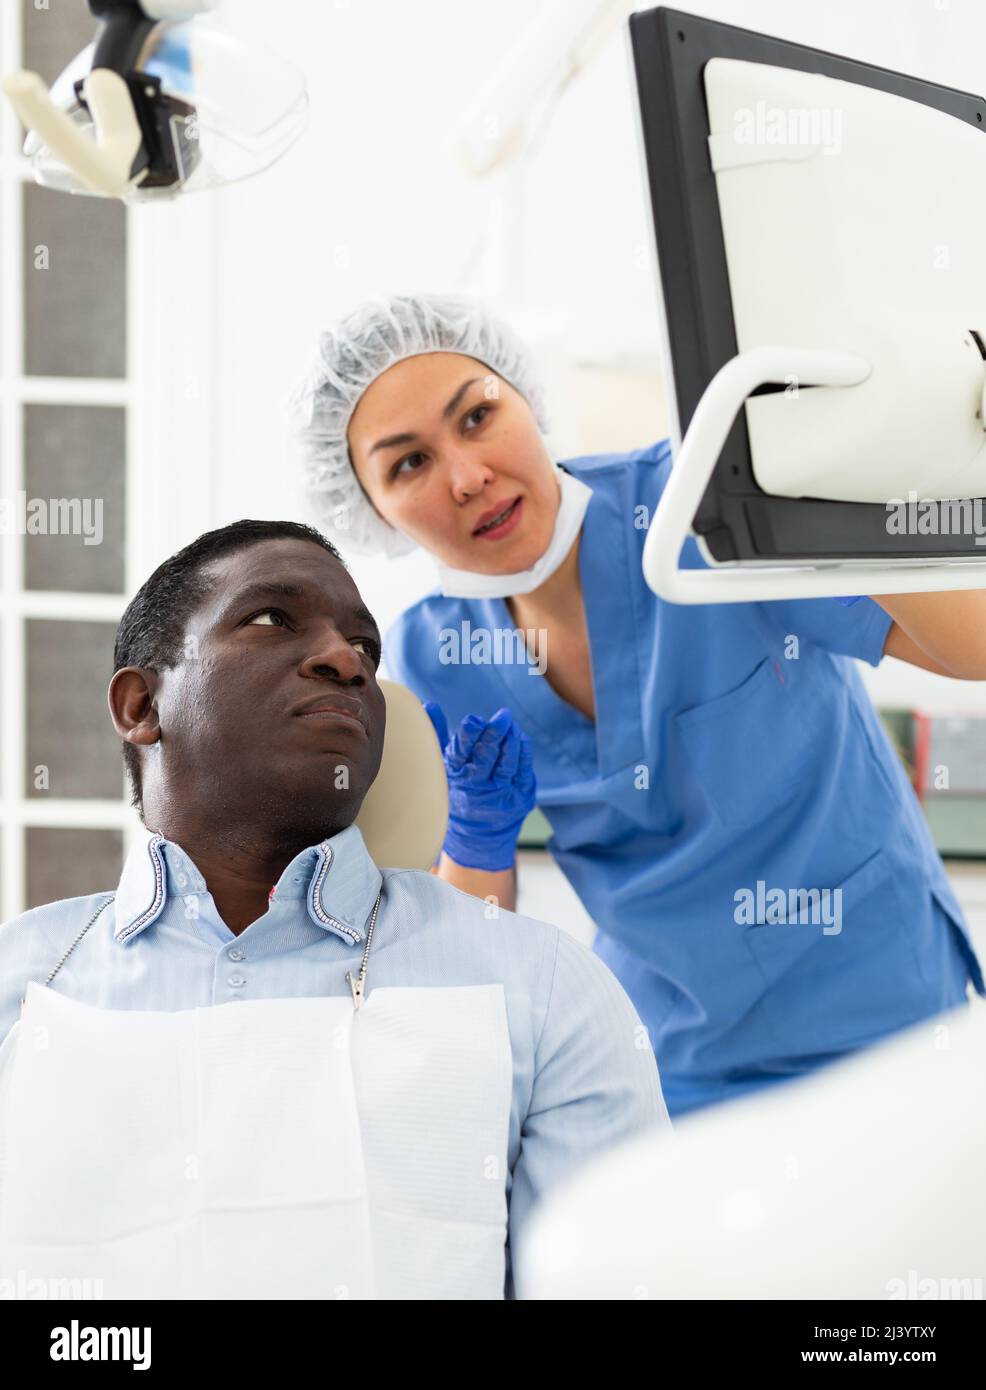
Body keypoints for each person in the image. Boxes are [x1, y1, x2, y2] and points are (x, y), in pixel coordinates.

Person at [290, 291, 986, 1120]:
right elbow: (478, 926)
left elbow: (971, 647)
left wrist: (831, 483)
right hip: (670, 1050)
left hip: (879, 1004)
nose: (468, 477)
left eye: (477, 416)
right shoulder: (436, 655)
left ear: (524, 396)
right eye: (408, 464)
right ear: (372, 512)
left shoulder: (705, 509)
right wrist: (477, 837)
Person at [0, 519, 668, 1301]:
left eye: (366, 647)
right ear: (142, 704)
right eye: (271, 619)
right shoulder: (23, 983)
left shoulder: (540, 988)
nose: (347, 660)